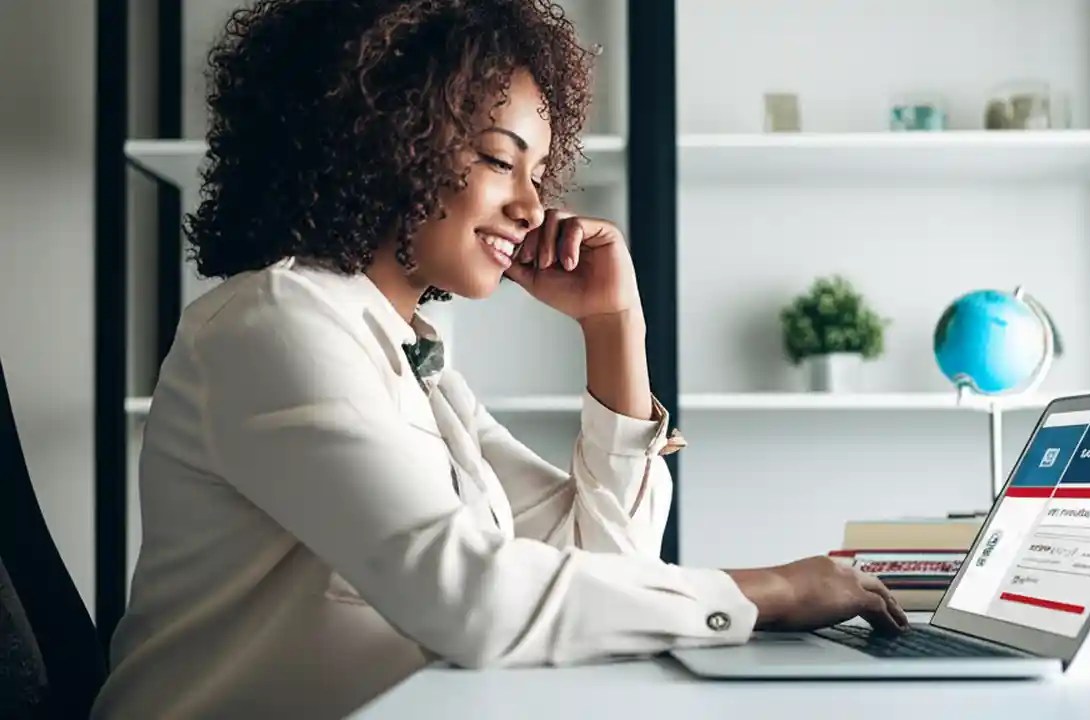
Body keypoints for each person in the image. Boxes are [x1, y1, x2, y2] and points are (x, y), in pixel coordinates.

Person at [91, 1, 908, 717]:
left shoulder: (411, 354)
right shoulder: (274, 325)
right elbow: (475, 599)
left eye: (539, 171)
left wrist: (614, 327)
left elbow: (604, 564)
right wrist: (768, 592)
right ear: (382, 137)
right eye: (496, 158)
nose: (532, 204)